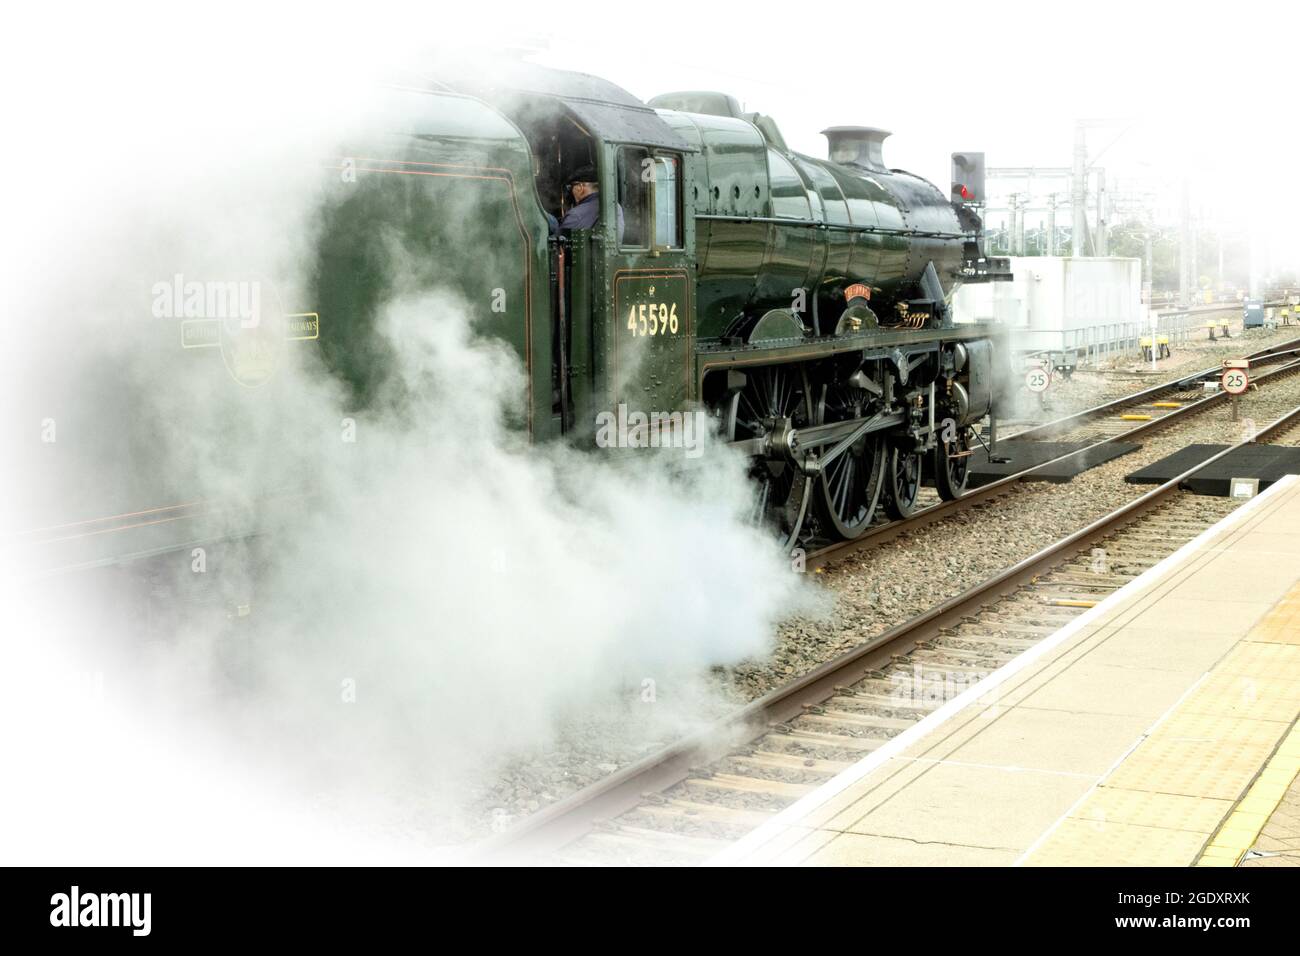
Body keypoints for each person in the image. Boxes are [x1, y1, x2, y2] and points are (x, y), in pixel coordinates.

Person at [557, 164, 625, 242]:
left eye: (571, 187)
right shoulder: (616, 207)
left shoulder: (576, 215)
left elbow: (560, 246)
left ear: (580, 187)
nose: (571, 191)